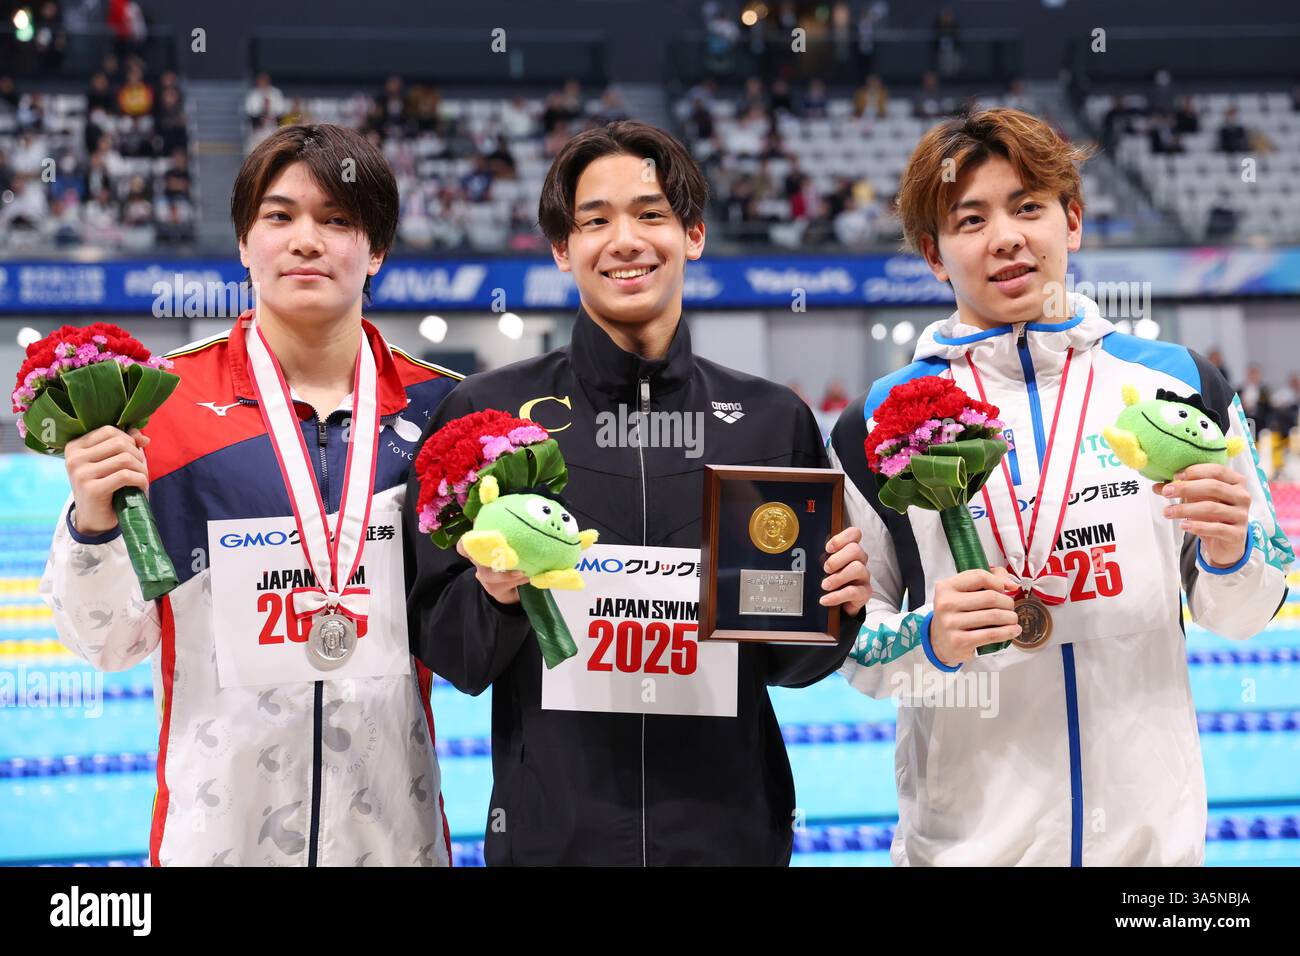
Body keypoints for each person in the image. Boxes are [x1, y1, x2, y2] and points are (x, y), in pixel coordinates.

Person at [829, 108, 1292, 866]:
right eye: (970, 219)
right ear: (934, 255)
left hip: (1155, 857)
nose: (1006, 237)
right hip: (965, 850)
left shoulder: (1178, 385)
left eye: (1028, 207)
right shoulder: (877, 423)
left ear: (1071, 221)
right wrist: (928, 639)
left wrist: (1232, 551)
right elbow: (849, 647)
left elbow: (1246, 614)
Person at [404, 121, 873, 865]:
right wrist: (492, 595)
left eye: (651, 214)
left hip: (730, 839)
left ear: (692, 234)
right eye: (595, 221)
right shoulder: (488, 420)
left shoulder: (767, 420)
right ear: (563, 250)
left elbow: (790, 666)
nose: (625, 240)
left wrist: (837, 610)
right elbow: (448, 650)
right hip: (554, 841)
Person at [40, 124, 461, 866]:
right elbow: (107, 643)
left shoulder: (443, 413)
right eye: (280, 215)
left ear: (377, 250)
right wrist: (94, 521)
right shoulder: (159, 406)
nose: (307, 240)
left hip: (395, 837)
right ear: (243, 242)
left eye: (338, 220)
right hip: (219, 839)